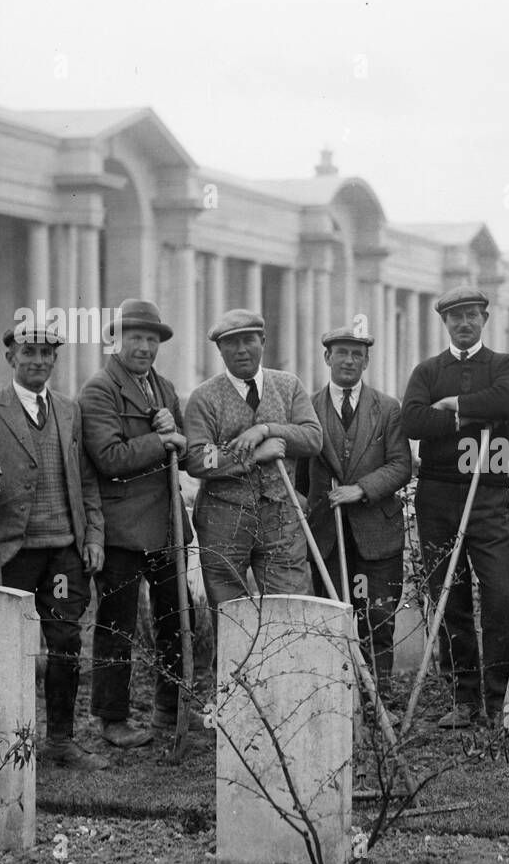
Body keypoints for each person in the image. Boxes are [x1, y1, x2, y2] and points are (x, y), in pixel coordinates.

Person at [0, 323, 107, 770]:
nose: (38, 360)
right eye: (29, 352)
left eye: (46, 353)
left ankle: (59, 741)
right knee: (1, 645)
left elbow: (87, 481)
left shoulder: (70, 411)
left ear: (55, 360)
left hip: (62, 555)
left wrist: (92, 535)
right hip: (10, 553)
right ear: (10, 358)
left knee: (65, 641)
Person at [400, 286, 509, 727]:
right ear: (445, 323)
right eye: (456, 317)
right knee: (448, 597)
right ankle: (464, 697)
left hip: (488, 492)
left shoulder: (504, 365)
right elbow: (412, 419)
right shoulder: (428, 370)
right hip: (437, 495)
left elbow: (506, 400)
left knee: (502, 596)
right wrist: (467, 415)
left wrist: (451, 407)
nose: (465, 323)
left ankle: (500, 697)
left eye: (472, 315)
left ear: (485, 318)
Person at [79, 298, 198, 747]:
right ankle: (112, 721)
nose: (145, 347)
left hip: (166, 525)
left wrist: (178, 439)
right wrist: (162, 438)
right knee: (117, 626)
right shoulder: (99, 390)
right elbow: (108, 458)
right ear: (116, 340)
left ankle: (171, 710)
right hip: (123, 529)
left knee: (175, 619)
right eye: (136, 338)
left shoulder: (164, 388)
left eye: (152, 339)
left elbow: (182, 453)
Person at [296, 326, 412, 688]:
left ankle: (378, 694)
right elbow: (299, 469)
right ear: (327, 357)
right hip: (326, 534)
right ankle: (331, 692)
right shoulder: (307, 407)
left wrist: (360, 490)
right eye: (341, 352)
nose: (349, 360)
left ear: (366, 361)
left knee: (377, 615)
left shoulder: (388, 408)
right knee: (328, 614)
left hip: (376, 532)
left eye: (356, 354)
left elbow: (401, 466)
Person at [184, 309, 322, 609]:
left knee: (289, 606)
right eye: (231, 343)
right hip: (223, 518)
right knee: (231, 612)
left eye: (248, 340)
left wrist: (267, 429)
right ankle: (233, 659)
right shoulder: (204, 397)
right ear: (220, 349)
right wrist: (255, 455)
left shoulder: (288, 386)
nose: (241, 349)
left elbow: (313, 437)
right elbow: (197, 458)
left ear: (263, 341)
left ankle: (284, 660)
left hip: (281, 515)